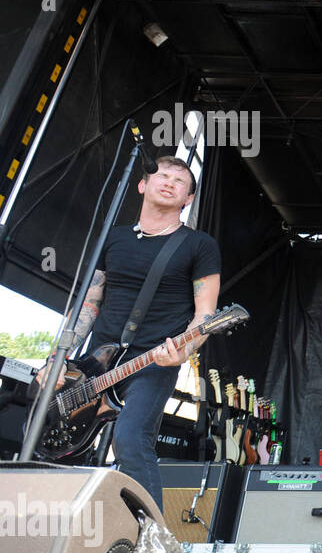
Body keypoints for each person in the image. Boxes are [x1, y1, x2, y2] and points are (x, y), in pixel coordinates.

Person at [36, 156, 221, 511]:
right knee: (59, 450)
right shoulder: (115, 239)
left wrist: (186, 350)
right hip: (94, 364)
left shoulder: (198, 245)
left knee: (131, 440)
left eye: (180, 181)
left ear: (188, 199)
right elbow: (89, 304)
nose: (168, 182)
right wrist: (58, 358)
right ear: (142, 185)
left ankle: (153, 542)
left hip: (152, 362)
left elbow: (205, 314)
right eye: (161, 175)